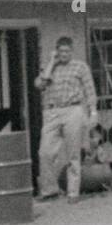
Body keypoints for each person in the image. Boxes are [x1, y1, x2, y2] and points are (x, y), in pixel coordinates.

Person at [34, 36, 97, 203]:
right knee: (45, 152)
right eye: (61, 51)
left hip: (73, 110)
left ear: (72, 51)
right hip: (52, 112)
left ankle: (73, 192)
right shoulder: (49, 68)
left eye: (67, 51)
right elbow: (39, 85)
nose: (64, 54)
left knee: (73, 153)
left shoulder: (80, 67)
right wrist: (51, 63)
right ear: (56, 51)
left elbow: (90, 90)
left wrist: (93, 112)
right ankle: (49, 191)